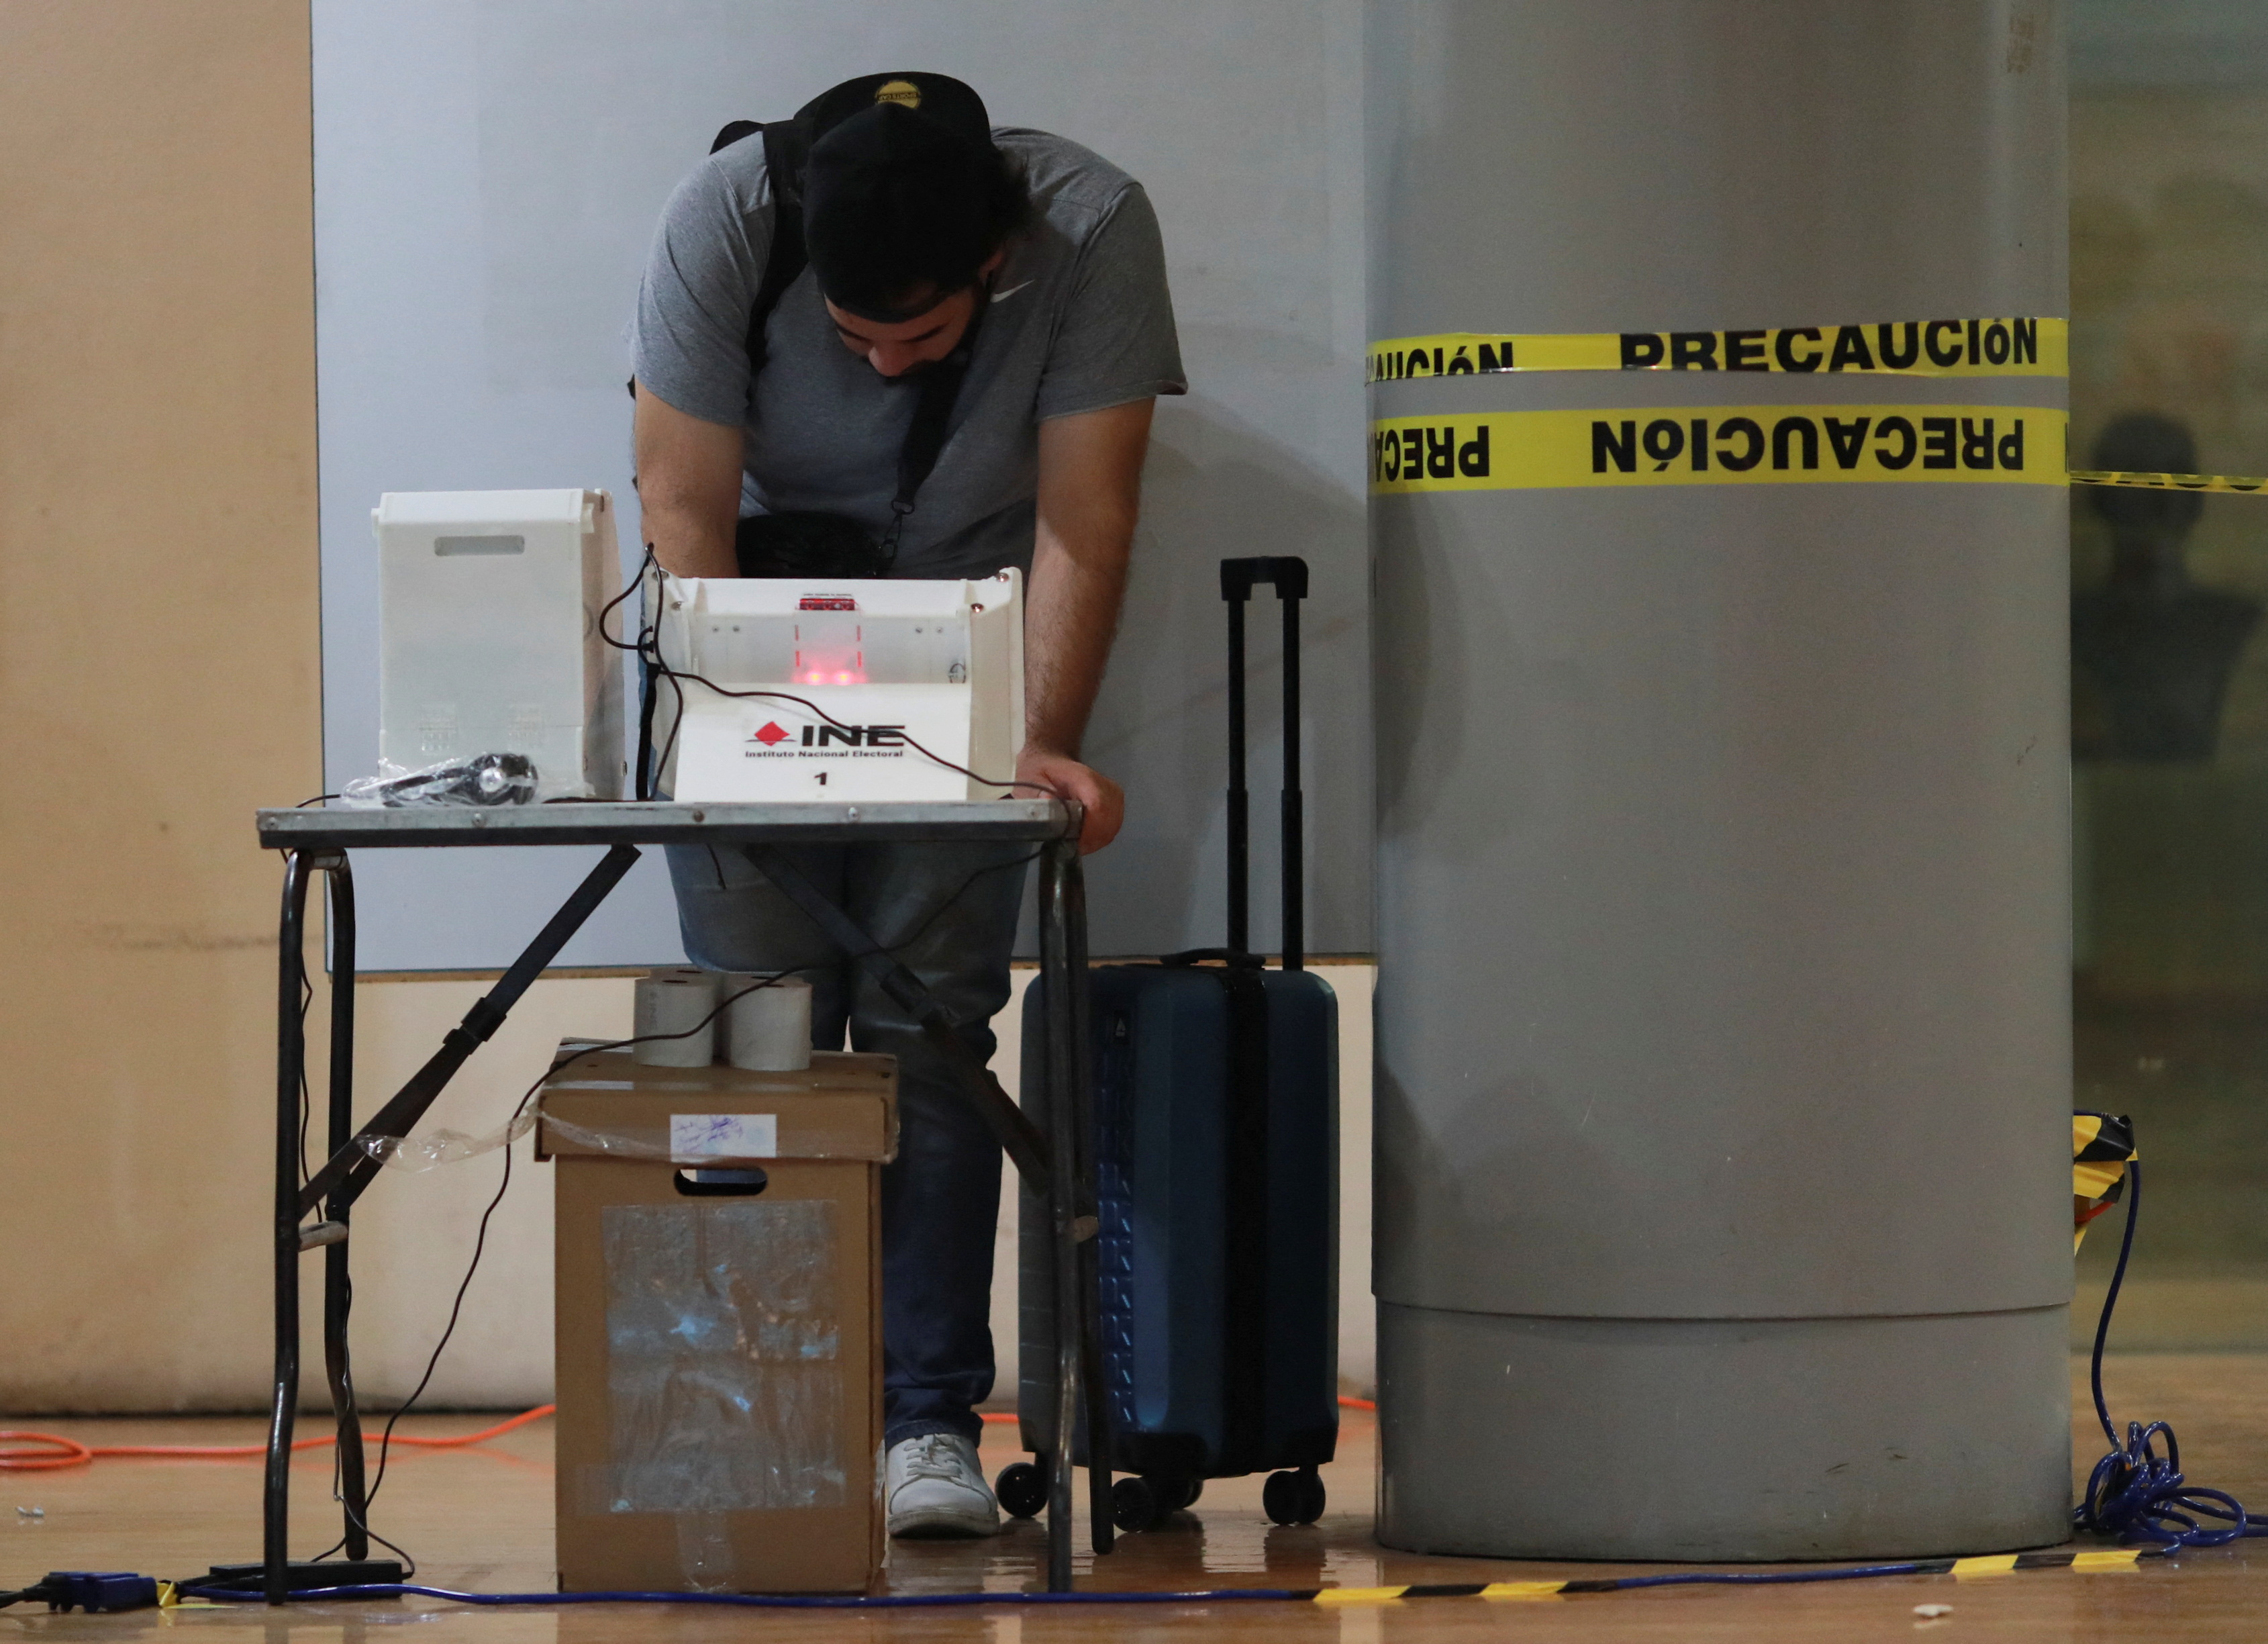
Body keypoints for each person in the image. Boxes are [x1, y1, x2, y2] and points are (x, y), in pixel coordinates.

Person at [628, 71, 1183, 1537]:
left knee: (931, 1026)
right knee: (759, 1025)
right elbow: (681, 503)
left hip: (964, 638)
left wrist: (1031, 755)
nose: (880, 368)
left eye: (920, 339)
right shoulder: (726, 220)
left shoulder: (1092, 227)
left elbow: (1087, 517)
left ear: (993, 265)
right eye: (848, 335)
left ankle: (923, 1422)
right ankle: (762, 1420)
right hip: (752, 618)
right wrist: (745, 729)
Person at [2072, 412, 2260, 762]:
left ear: (2196, 500)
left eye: (2177, 481)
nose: (2160, 503)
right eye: (2137, 484)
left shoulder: (2237, 624)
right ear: (2101, 501)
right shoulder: (2066, 628)